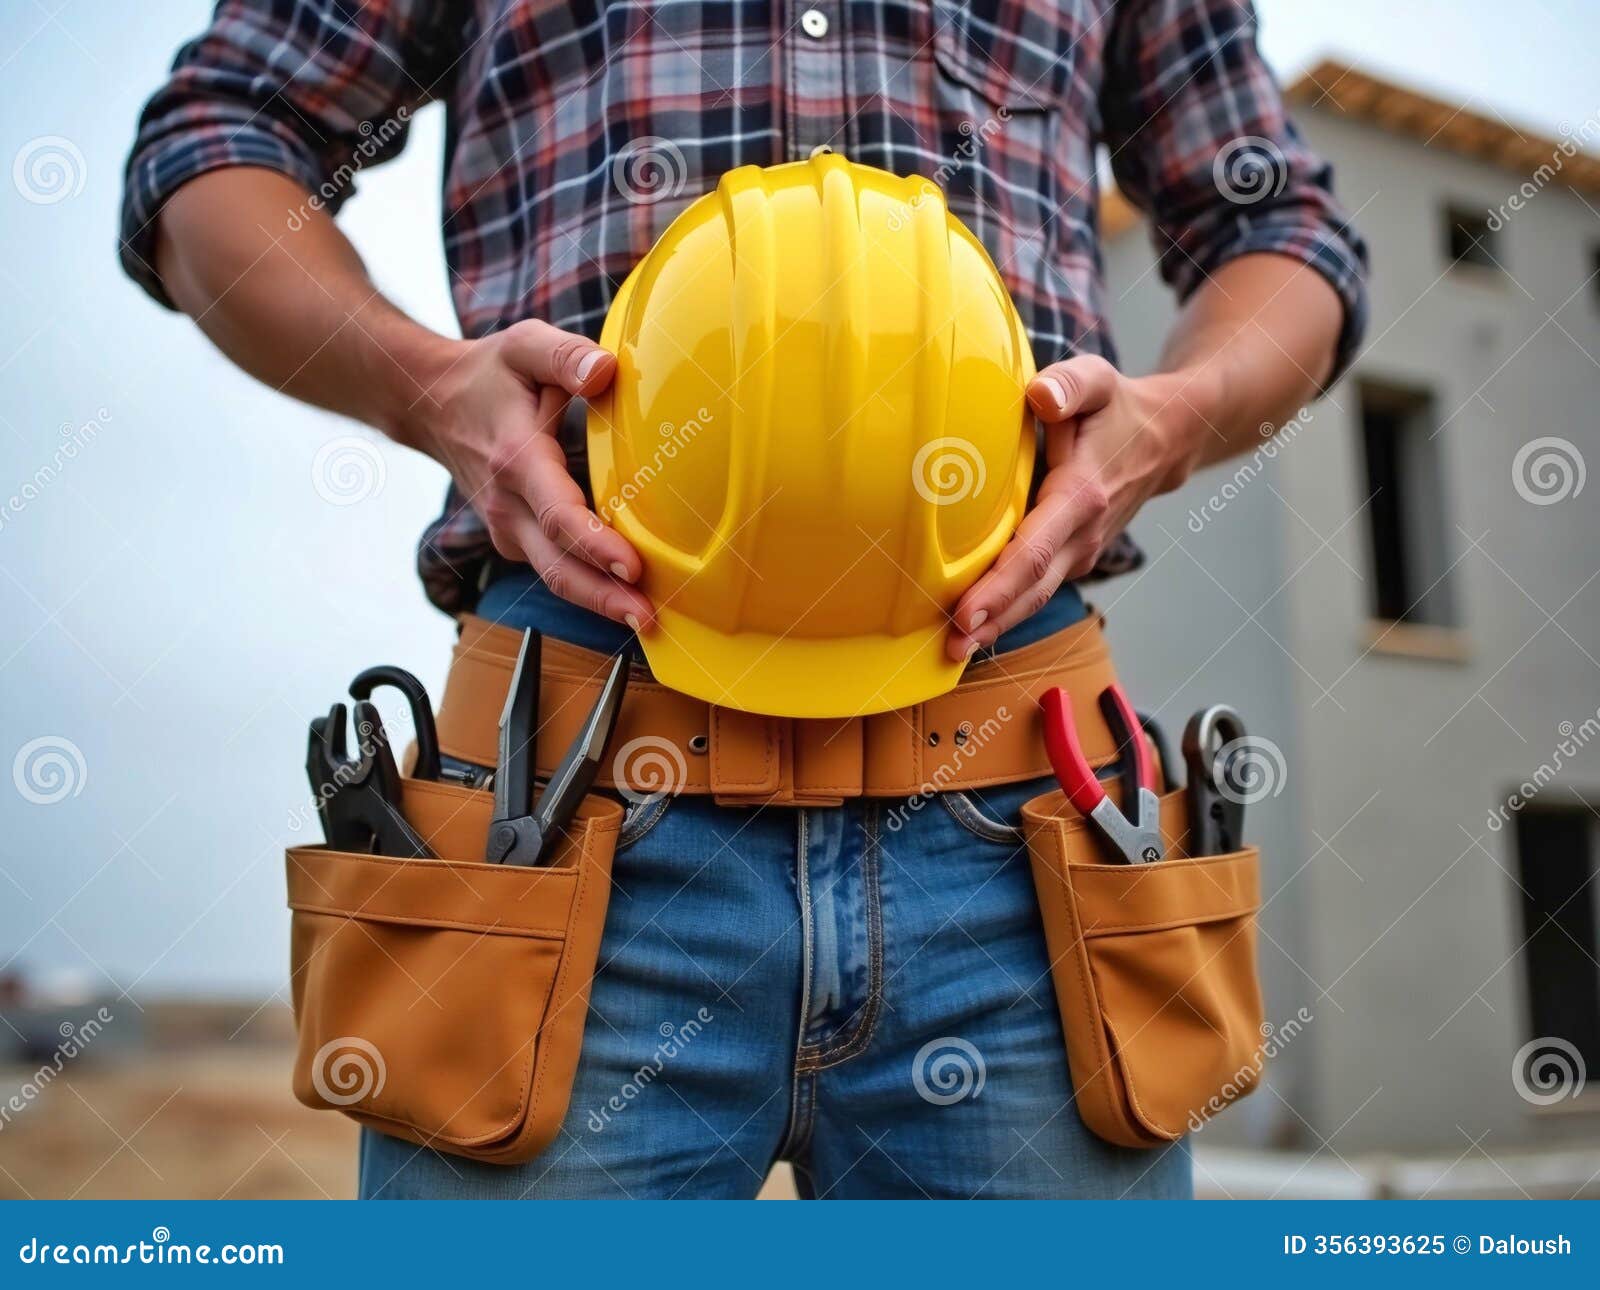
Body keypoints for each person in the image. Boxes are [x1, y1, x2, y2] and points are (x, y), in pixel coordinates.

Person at [121, 0, 1367, 1199]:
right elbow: (215, 143)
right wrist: (430, 388)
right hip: (563, 802)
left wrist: (1175, 420)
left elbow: (1283, 233)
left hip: (1020, 819)